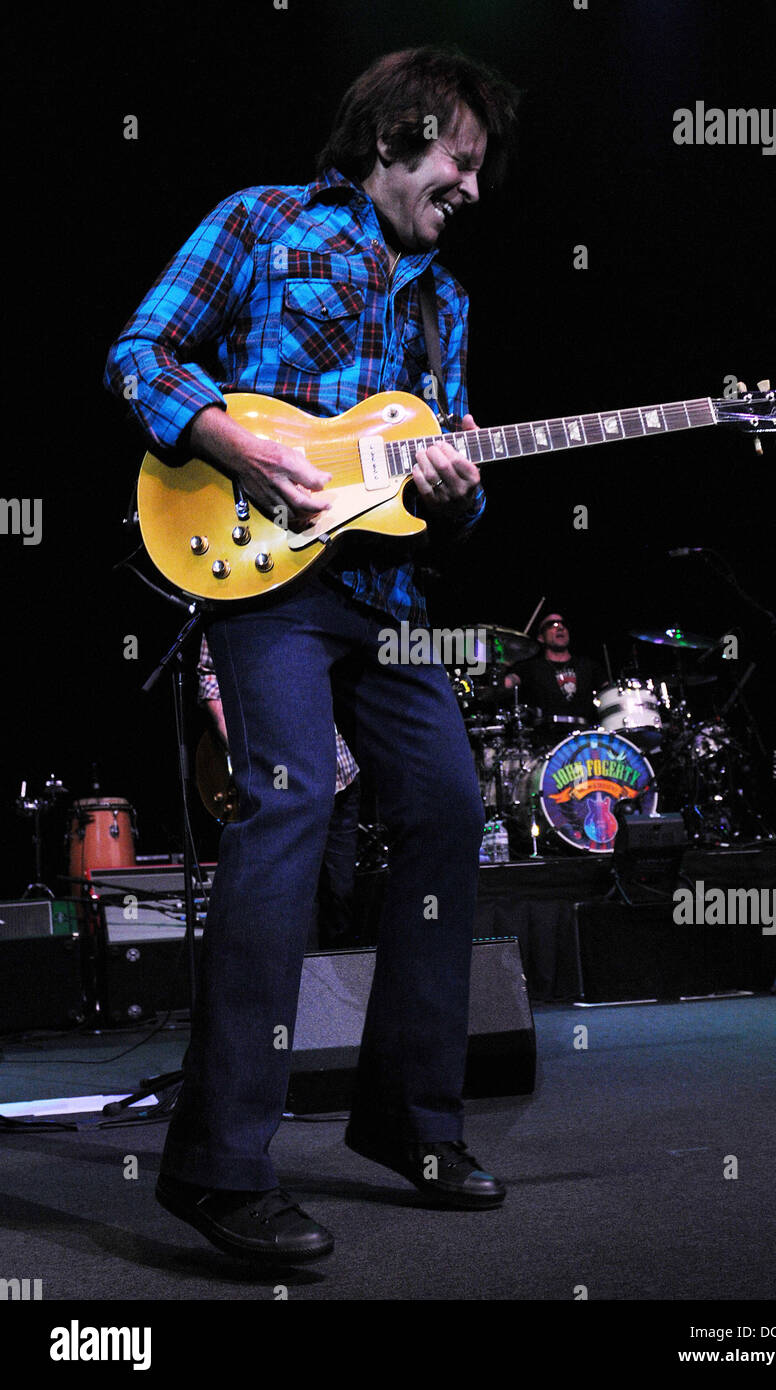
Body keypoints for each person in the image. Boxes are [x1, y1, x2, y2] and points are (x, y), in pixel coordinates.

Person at [105, 47, 519, 1264]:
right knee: (284, 810)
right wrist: (238, 445)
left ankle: (407, 1118)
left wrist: (455, 490)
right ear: (398, 133)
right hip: (265, 576)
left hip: (384, 592)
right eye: (461, 160)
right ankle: (219, 1164)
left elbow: (448, 499)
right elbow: (142, 354)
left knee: (448, 805)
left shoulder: (442, 300)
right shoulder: (262, 220)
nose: (471, 188)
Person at [197, 634, 362, 949]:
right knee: (294, 901)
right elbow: (210, 680)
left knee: (340, 896)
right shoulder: (232, 597)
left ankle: (336, 988)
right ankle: (301, 991)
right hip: (284, 783)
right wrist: (246, 750)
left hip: (341, 773)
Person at [505, 613, 600, 727]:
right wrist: (504, 661)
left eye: (563, 624)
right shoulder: (529, 667)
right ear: (541, 637)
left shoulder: (588, 665)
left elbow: (610, 692)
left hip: (585, 737)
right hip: (544, 738)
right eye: (552, 625)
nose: (560, 627)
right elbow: (505, 684)